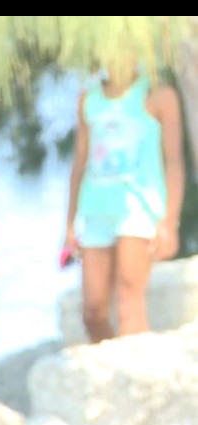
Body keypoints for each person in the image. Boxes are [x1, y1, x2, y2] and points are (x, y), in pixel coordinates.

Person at [65, 63, 185, 343]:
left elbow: (175, 162)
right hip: (96, 211)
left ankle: (139, 382)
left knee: (129, 302)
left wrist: (169, 221)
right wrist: (70, 223)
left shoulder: (158, 96)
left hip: (139, 211)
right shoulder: (88, 100)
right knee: (92, 311)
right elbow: (79, 162)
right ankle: (112, 376)